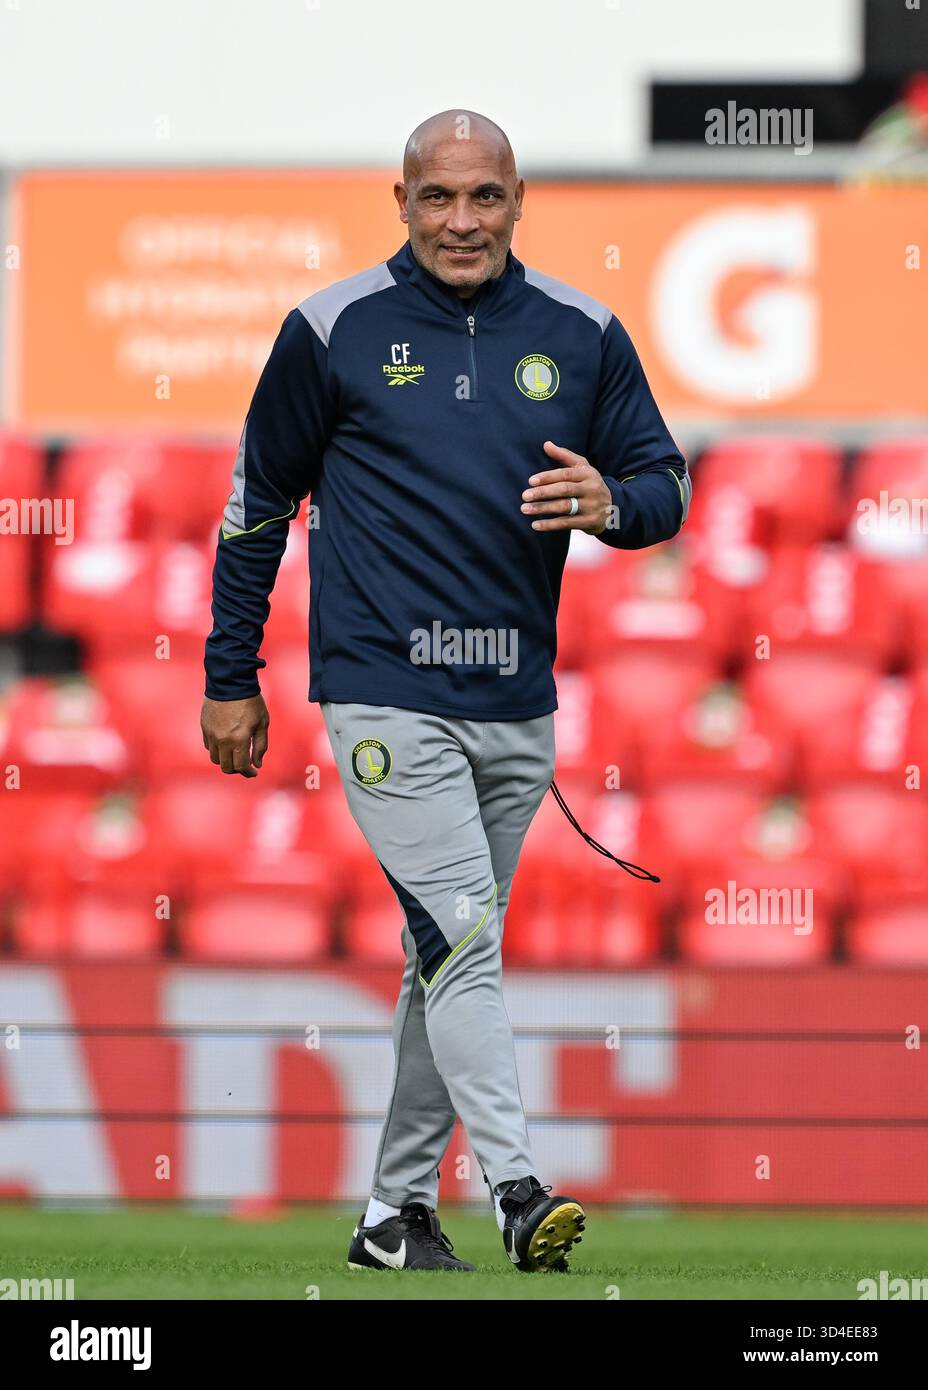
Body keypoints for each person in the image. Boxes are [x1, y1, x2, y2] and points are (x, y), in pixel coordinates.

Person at [201, 110, 690, 1273]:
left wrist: (614, 508)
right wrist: (231, 676)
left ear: (519, 200)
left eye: (484, 198)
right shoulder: (329, 331)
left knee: (445, 948)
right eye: (438, 198)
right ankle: (518, 1188)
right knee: (465, 936)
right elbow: (255, 507)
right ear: (401, 202)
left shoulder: (582, 332)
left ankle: (393, 1216)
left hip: (516, 696)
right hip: (382, 688)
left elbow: (663, 480)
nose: (461, 222)